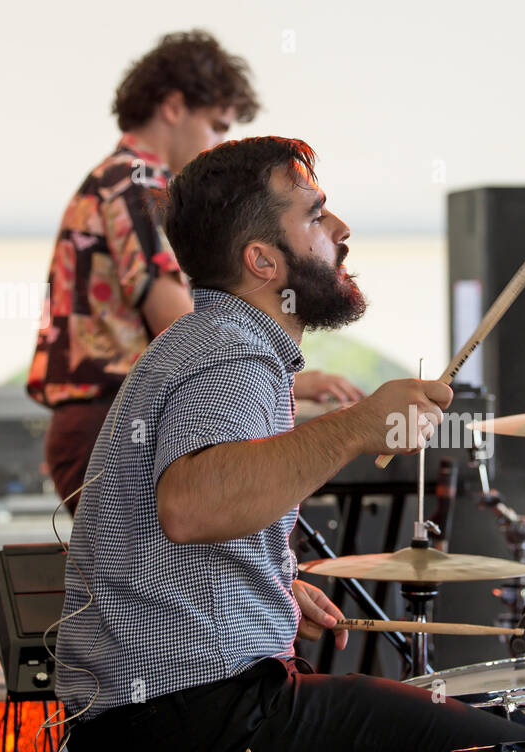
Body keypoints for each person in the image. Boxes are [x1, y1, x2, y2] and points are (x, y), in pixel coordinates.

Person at [55, 136, 525, 752]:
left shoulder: (206, 342)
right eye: (315, 215)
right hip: (192, 718)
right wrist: (356, 424)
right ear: (262, 260)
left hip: (151, 716)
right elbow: (191, 504)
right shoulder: (230, 350)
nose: (340, 229)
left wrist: (272, 580)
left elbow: (182, 521)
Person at [26, 31, 361, 514]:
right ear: (173, 106)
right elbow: (175, 318)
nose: (221, 143)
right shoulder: (135, 180)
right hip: (109, 418)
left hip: (111, 415)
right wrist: (289, 380)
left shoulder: (117, 178)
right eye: (217, 125)